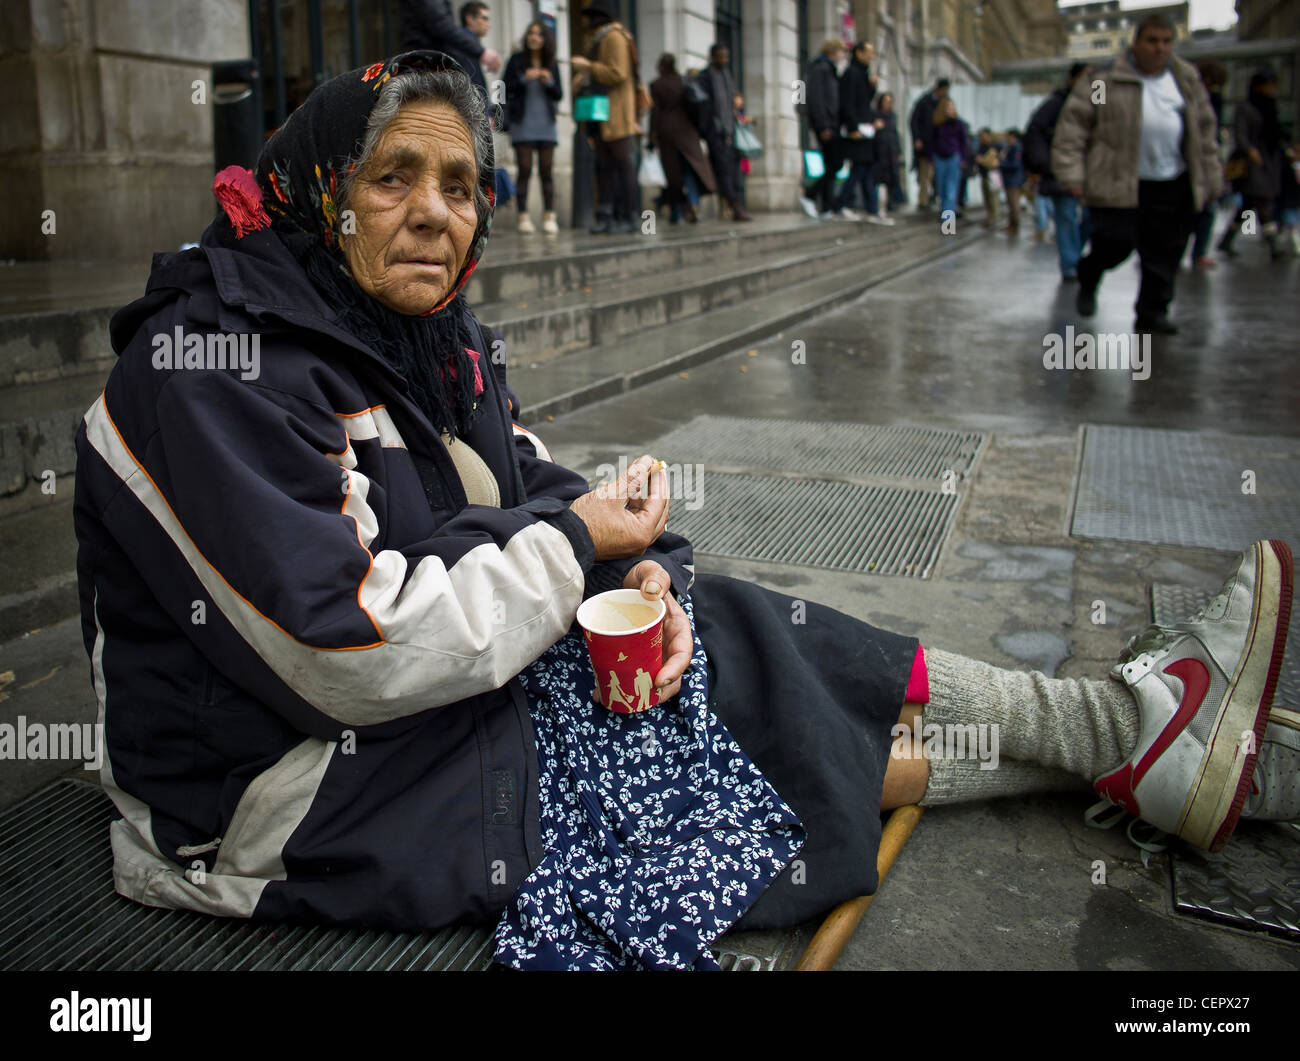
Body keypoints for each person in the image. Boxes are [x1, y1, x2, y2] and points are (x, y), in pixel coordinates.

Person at [75, 50, 1298, 972]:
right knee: (683, 731)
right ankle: (1121, 734)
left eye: (461, 182)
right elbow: (345, 651)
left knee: (696, 645)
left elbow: (525, 484)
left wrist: (640, 563)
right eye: (393, 177)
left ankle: (1129, 739)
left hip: (400, 718)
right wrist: (575, 549)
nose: (438, 213)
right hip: (267, 796)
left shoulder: (417, 339)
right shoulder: (211, 367)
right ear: (317, 190)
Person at [1053, 14, 1220, 335]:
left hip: (1172, 181)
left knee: (1164, 251)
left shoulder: (1186, 80)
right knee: (1116, 241)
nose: (1160, 48)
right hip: (1118, 180)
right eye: (1152, 41)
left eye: (1166, 42)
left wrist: (1212, 178)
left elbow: (1204, 133)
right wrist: (1072, 173)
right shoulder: (1105, 79)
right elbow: (1076, 125)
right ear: (1136, 43)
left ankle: (1152, 313)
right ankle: (1090, 272)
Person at [570, 0, 641, 234]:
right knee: (604, 165)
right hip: (600, 111)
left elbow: (618, 73)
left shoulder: (614, 37)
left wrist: (588, 67)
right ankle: (606, 216)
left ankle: (631, 216)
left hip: (615, 112)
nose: (585, 21)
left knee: (622, 163)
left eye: (589, 16)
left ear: (600, 17)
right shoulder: (600, 38)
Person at [1024, 62, 1089, 279]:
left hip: (1092, 170)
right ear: (1071, 79)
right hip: (1064, 169)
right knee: (1066, 216)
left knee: (1094, 219)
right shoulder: (1057, 103)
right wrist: (1044, 164)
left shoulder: (1098, 100)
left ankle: (1075, 255)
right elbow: (1035, 131)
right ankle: (1071, 263)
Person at [1218, 70, 1286, 262]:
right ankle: (1273, 245)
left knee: (1248, 207)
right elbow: (1240, 134)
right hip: (1252, 165)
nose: (1273, 89)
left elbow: (1276, 134)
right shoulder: (1246, 108)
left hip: (1269, 162)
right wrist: (1249, 150)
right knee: (1261, 202)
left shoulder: (1271, 107)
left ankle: (1227, 240)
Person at [504, 21, 562, 235]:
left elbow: (559, 94)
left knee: (547, 170)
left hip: (546, 123)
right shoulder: (516, 60)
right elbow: (503, 88)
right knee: (525, 169)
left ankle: (549, 216)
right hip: (522, 122)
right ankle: (523, 217)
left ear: (545, 38)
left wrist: (548, 81)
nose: (534, 37)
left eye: (538, 34)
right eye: (531, 33)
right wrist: (522, 78)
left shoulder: (552, 62)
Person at [649, 53, 717, 224]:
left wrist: (652, 134)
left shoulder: (657, 85)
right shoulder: (684, 82)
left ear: (661, 66)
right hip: (687, 131)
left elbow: (655, 113)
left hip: (667, 132)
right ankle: (693, 203)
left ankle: (676, 212)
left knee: (672, 174)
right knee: (690, 170)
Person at [697, 43, 752, 221]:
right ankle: (734, 205)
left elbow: (730, 102)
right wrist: (706, 129)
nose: (724, 60)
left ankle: (734, 204)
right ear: (712, 57)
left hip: (730, 131)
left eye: (726, 56)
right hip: (715, 132)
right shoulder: (705, 77)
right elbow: (703, 106)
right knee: (723, 170)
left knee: (734, 169)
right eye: (720, 56)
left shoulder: (727, 76)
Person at [834, 41, 886, 223]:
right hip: (859, 130)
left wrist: (871, 87)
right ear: (859, 53)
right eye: (869, 52)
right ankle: (842, 205)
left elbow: (862, 102)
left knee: (865, 170)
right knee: (860, 169)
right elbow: (847, 104)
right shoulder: (852, 74)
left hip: (865, 129)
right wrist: (853, 128)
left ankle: (870, 208)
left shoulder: (862, 75)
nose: (872, 56)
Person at [399, 0, 501, 91]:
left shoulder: (467, 42)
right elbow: (439, 23)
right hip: (426, 66)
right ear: (470, 19)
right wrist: (481, 52)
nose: (489, 24)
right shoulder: (465, 44)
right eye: (484, 18)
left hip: (426, 65)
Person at [799, 39, 846, 219]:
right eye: (841, 51)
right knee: (835, 164)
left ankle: (826, 207)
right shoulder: (821, 69)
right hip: (826, 124)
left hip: (831, 123)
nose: (842, 56)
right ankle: (810, 195)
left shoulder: (828, 69)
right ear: (833, 51)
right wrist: (824, 124)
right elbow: (816, 99)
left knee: (831, 164)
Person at [1188, 59, 1227, 268]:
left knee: (1207, 209)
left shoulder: (1211, 99)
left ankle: (1201, 251)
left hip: (1204, 161)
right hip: (1193, 162)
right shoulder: (1201, 98)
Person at [930, 96, 971, 223]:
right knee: (942, 189)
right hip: (939, 158)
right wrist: (931, 156)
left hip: (953, 158)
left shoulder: (958, 124)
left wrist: (963, 157)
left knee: (951, 190)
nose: (951, 110)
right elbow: (931, 141)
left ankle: (948, 222)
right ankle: (946, 213)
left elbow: (963, 142)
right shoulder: (937, 125)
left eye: (952, 108)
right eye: (948, 108)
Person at [909, 77, 948, 209]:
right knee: (925, 174)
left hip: (940, 146)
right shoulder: (924, 101)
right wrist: (917, 139)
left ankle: (937, 200)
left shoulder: (944, 103)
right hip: (926, 145)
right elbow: (914, 121)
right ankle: (923, 201)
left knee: (937, 175)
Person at [874, 92, 903, 221]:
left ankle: (892, 202)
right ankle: (876, 203)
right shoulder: (876, 115)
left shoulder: (893, 116)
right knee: (880, 177)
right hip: (880, 151)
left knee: (893, 177)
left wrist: (899, 152)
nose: (888, 104)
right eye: (886, 101)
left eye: (889, 101)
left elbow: (895, 134)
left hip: (892, 151)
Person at [998, 128, 1024, 233]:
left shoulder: (1017, 148)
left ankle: (1014, 226)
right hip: (1009, 179)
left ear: (1013, 136)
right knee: (1011, 203)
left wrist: (1000, 164)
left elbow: (1015, 164)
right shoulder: (1009, 147)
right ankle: (1011, 225)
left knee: (1013, 204)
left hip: (1014, 179)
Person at [975, 127, 1000, 228]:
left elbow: (993, 163)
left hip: (993, 176)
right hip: (984, 175)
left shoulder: (994, 147)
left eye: (983, 135)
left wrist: (983, 160)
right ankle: (989, 218)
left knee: (993, 199)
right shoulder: (981, 147)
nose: (982, 137)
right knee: (986, 199)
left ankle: (994, 219)